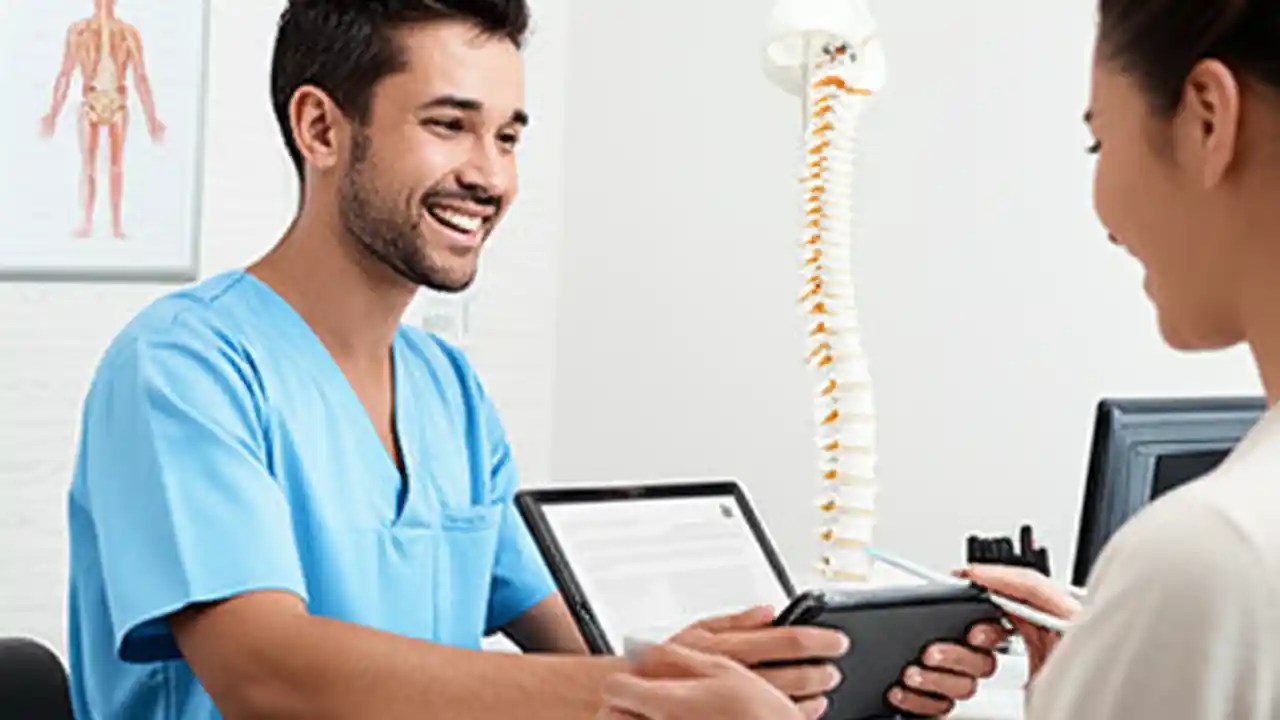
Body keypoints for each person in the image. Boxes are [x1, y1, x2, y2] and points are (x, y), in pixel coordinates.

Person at [64, 2, 1002, 718]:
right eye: (449, 124)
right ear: (320, 129)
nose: (492, 174)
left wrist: (811, 670)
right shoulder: (185, 367)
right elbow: (264, 672)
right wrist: (639, 689)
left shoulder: (449, 394)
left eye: (509, 134)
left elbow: (580, 651)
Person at [602, 0, 1280, 717]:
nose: (1104, 211)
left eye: (1098, 144)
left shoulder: (1210, 559)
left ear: (1207, 120)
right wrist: (1099, 680)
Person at [40, 0, 166, 240]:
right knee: (89, 164)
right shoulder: (79, 31)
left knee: (116, 166)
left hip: (116, 99)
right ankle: (87, 221)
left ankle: (116, 224)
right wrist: (53, 112)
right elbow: (65, 73)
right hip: (91, 99)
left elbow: (140, 76)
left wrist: (152, 118)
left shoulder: (128, 33)